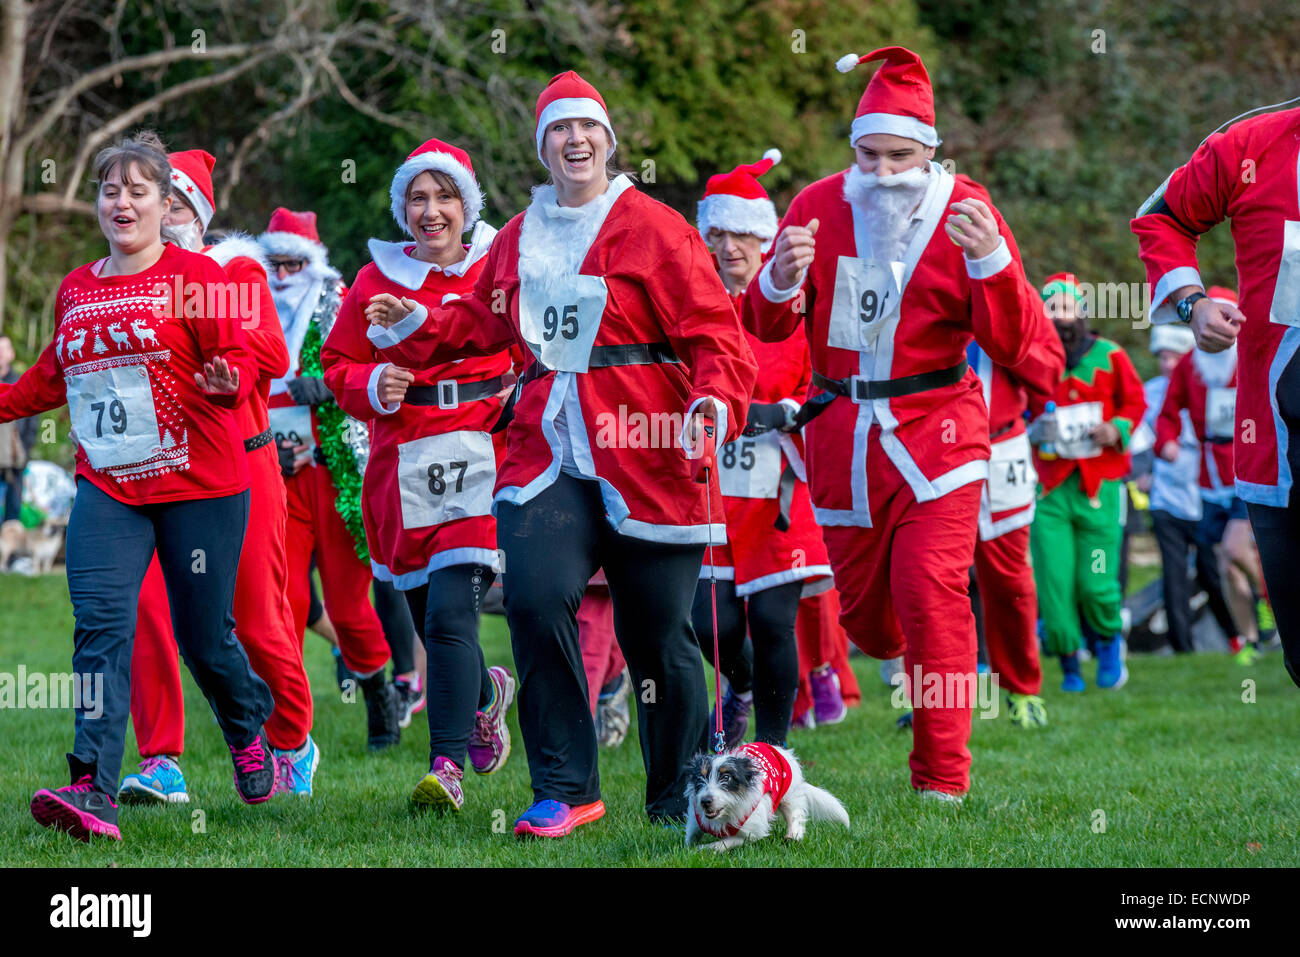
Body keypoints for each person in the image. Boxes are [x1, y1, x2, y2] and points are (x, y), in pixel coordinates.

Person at [368, 70, 757, 836]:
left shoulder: (657, 227)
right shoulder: (517, 234)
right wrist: (413, 323)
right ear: (542, 146)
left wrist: (714, 401)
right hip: (545, 450)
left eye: (587, 130)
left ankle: (677, 791)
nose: (574, 141)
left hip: (648, 451)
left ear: (608, 142)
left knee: (657, 635)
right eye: (558, 131)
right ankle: (565, 784)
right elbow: (481, 322)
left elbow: (717, 335)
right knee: (536, 599)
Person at [742, 47, 1041, 800]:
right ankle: (900, 660)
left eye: (899, 156)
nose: (880, 172)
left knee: (932, 591)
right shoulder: (814, 205)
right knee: (872, 624)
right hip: (842, 435)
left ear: (930, 151)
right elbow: (766, 322)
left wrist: (992, 264)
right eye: (868, 154)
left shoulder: (968, 209)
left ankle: (942, 779)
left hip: (940, 426)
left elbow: (1020, 345)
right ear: (852, 149)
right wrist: (779, 276)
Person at [0, 132, 278, 842]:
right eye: (109, 190)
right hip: (110, 489)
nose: (121, 202)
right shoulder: (77, 287)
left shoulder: (200, 277)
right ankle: (92, 786)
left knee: (205, 638)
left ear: (165, 201)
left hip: (201, 486)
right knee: (101, 628)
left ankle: (247, 720)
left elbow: (242, 357)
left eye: (137, 190)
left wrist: (230, 382)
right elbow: (48, 380)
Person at [321, 137, 518, 811]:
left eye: (444, 197)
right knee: (412, 607)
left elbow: (530, 345)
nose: (431, 211)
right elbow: (335, 366)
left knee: (449, 613)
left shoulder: (497, 269)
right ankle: (485, 698)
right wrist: (374, 381)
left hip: (479, 450)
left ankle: (447, 766)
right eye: (418, 197)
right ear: (402, 207)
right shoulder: (376, 278)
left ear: (468, 205)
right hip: (397, 464)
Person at [117, 149, 319, 804]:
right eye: (157, 202)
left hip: (246, 459)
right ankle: (162, 761)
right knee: (149, 607)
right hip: (161, 469)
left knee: (257, 619)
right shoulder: (128, 283)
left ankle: (291, 740)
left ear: (198, 214)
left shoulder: (235, 272)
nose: (164, 215)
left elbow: (274, 352)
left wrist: (202, 303)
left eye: (176, 204)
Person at [1130, 105, 1299, 687]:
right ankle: (1247, 636)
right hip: (1273, 441)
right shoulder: (1250, 145)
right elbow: (1162, 219)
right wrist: (1191, 302)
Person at [691, 149, 833, 748]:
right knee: (710, 625)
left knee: (775, 621)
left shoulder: (794, 304)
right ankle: (741, 687)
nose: (731, 248)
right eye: (718, 234)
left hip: (779, 486)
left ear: (765, 239)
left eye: (744, 236)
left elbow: (825, 384)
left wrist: (781, 414)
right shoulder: (690, 302)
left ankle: (773, 753)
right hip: (709, 492)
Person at [259, 208, 399, 751]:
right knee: (284, 602)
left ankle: (378, 692)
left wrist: (330, 386)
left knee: (347, 607)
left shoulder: (341, 305)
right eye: (276, 262)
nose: (285, 273)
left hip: (337, 474)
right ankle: (289, 733)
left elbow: (372, 372)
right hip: (280, 476)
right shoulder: (253, 310)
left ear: (314, 263)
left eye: (296, 262)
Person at [1028, 273, 1146, 691]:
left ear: (1082, 311)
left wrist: (1116, 429)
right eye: (1052, 308)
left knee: (1096, 581)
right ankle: (1069, 665)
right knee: (1055, 583)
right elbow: (1013, 409)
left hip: (1100, 487)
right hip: (1049, 491)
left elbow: (1136, 402)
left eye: (1068, 307)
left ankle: (1111, 646)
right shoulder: (1031, 358)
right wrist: (1031, 429)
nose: (1061, 317)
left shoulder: (1111, 355)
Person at [968, 279, 1064, 727]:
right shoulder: (912, 273)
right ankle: (929, 694)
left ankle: (1022, 689)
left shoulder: (1014, 291)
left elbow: (1049, 374)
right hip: (929, 446)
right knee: (925, 574)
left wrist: (1004, 332)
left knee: (1009, 580)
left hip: (1003, 446)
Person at [1154, 287, 1267, 659]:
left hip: (1246, 467)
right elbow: (1169, 411)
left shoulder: (1252, 357)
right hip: (1208, 476)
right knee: (1223, 562)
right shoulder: (1190, 365)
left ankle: (1271, 601)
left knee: (1235, 548)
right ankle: (1250, 640)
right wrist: (1166, 442)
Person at [1144, 318, 1241, 654]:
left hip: (1202, 497)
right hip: (1167, 499)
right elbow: (1140, 440)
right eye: (1162, 357)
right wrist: (1147, 466)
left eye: (1174, 356)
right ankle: (1182, 648)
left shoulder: (1212, 382)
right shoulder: (1152, 394)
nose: (1168, 363)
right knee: (1173, 575)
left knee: (1211, 570)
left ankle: (1236, 634)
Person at [0, 336, 38, 521]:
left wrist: (25, 447)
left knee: (13, 511)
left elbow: (32, 420)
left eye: (4, 349)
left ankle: (10, 549)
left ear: (11, 354)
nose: (0, 353)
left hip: (15, 460)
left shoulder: (21, 383)